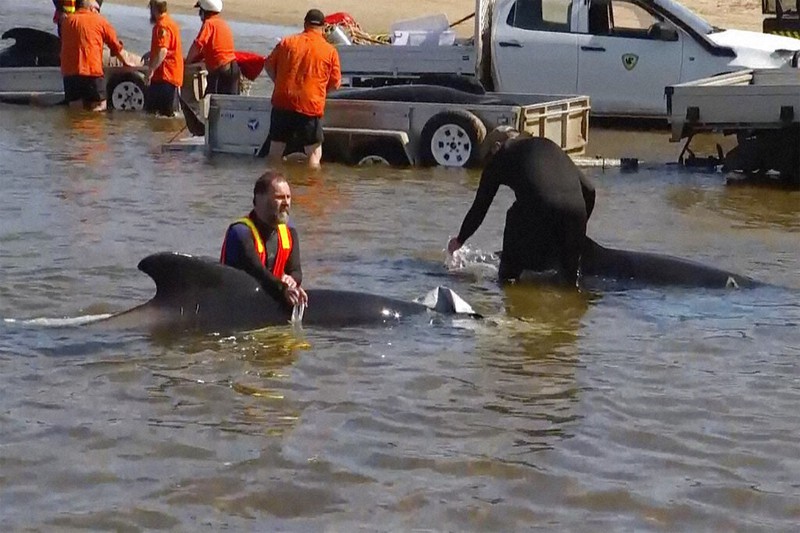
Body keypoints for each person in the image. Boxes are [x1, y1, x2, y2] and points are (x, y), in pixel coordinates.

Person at [447, 128, 596, 286]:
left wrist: (459, 240)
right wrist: (578, 228)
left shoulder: (501, 155)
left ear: (496, 146)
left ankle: (509, 280)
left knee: (508, 281)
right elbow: (590, 190)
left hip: (539, 209)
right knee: (570, 285)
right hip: (576, 213)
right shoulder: (548, 144)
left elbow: (480, 208)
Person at [263, 8, 342, 169]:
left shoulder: (286, 42)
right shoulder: (330, 51)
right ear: (323, 27)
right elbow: (335, 83)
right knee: (313, 155)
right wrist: (319, 92)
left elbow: (268, 65)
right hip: (310, 106)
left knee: (276, 152)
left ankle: (274, 184)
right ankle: (312, 190)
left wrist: (278, 82)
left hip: (282, 102)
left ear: (305, 24)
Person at [220, 171, 308, 308]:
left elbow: (296, 271)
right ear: (259, 200)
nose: (286, 203)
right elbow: (257, 272)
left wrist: (292, 282)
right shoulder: (240, 232)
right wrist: (283, 288)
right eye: (279, 197)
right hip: (237, 301)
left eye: (288, 197)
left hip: (271, 293)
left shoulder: (290, 231)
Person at [59, 0, 136, 111]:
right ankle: (93, 126)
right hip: (91, 71)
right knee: (99, 105)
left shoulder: (67, 22)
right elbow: (115, 46)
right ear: (91, 8)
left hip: (70, 73)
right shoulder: (100, 21)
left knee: (75, 108)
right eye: (97, 9)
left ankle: (75, 127)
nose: (98, 12)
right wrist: (125, 62)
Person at [185, 0, 240, 96]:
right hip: (233, 68)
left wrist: (187, 63)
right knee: (230, 104)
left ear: (204, 11)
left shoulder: (209, 24)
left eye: (200, 11)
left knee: (211, 103)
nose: (199, 14)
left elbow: (197, 45)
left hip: (221, 71)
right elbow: (214, 47)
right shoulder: (222, 24)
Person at [145, 0, 183, 116]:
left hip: (165, 76)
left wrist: (151, 70)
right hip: (169, 76)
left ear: (154, 9)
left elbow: (163, 50)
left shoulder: (162, 26)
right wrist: (150, 53)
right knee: (159, 115)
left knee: (160, 114)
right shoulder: (171, 23)